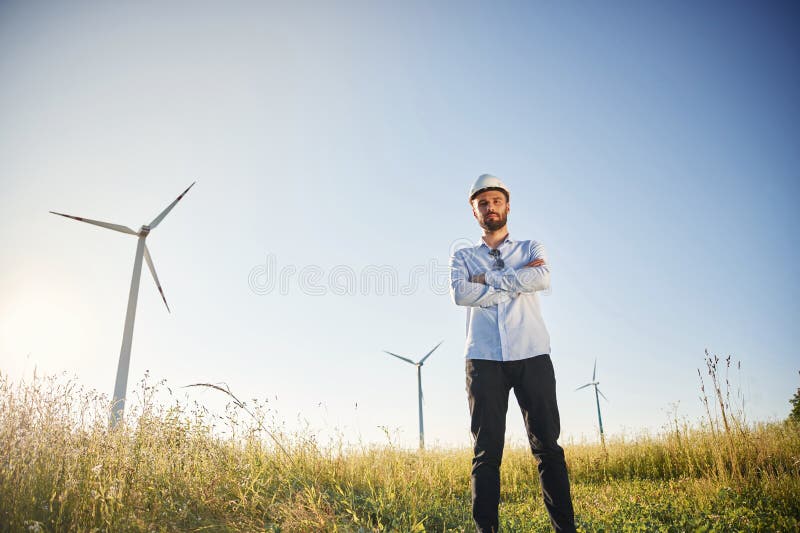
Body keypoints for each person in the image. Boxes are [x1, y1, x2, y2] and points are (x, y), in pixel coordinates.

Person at [449, 174, 576, 533]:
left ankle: (565, 529)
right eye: (483, 203)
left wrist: (486, 281)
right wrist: (516, 281)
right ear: (474, 211)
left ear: (507, 206)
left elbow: (542, 279)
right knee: (486, 452)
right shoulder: (463, 256)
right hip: (483, 359)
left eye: (496, 201)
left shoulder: (532, 248)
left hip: (532, 354)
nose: (491, 207)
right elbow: (461, 295)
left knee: (548, 447)